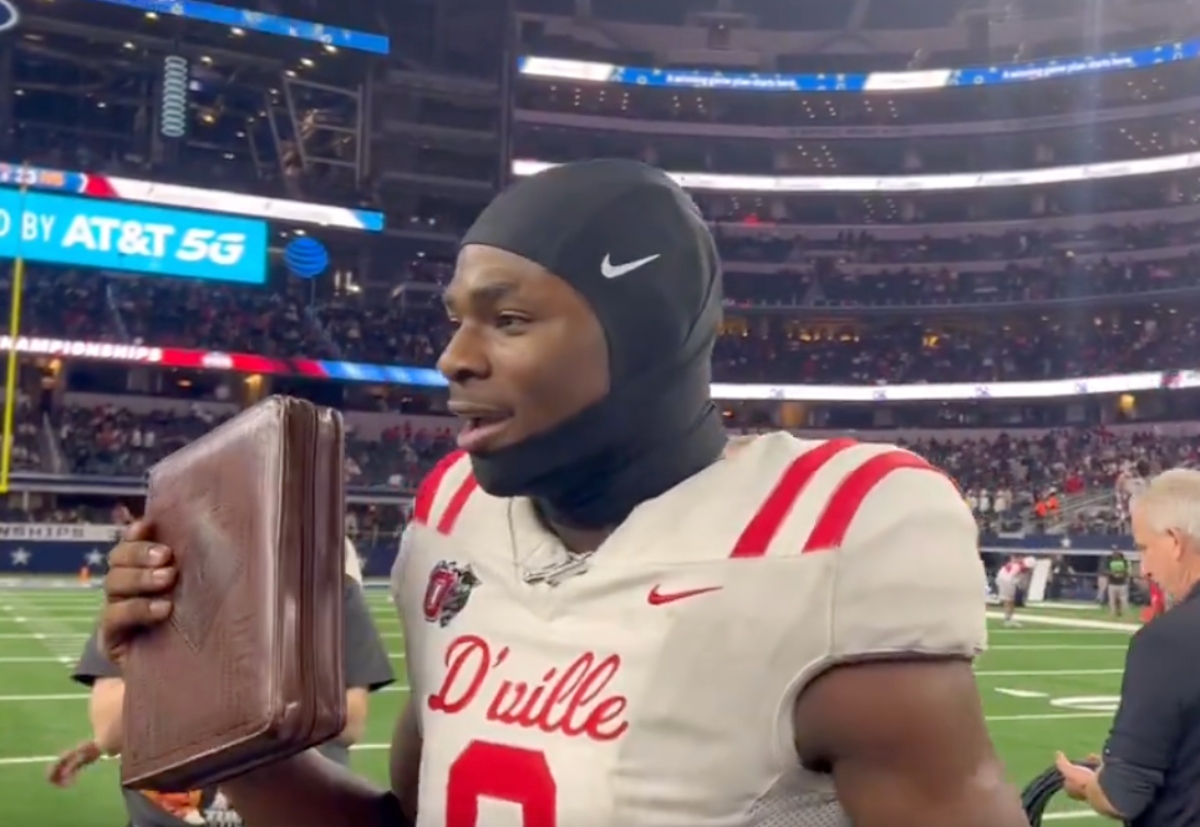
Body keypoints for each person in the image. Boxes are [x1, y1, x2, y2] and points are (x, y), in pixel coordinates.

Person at [95, 159, 1029, 826]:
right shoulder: (455, 520)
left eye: (507, 318)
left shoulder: (830, 536)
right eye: (458, 320)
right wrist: (210, 698)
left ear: (646, 334)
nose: (454, 358)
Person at [51, 537, 395, 827]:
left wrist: (192, 687)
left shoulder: (324, 568)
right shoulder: (151, 574)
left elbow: (347, 718)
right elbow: (112, 733)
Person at [1055, 469, 1200, 825]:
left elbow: (1123, 795)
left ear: (1175, 542)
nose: (1145, 568)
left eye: (1144, 548)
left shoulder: (1167, 640)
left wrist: (1091, 784)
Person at [996, 554, 1029, 627]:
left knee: (1009, 601)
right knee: (1009, 601)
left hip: (1003, 581)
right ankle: (1008, 619)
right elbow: (1013, 575)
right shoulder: (1017, 566)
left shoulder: (1008, 566)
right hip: (1008, 582)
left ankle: (1008, 618)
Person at [1105, 550, 1131, 618]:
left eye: (1117, 555)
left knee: (1123, 600)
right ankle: (1112, 613)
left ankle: (1125, 613)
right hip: (1112, 583)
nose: (1115, 556)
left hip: (1122, 584)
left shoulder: (1124, 562)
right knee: (1112, 600)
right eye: (1114, 555)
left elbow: (1127, 571)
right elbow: (1106, 570)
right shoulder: (1109, 562)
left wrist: (1122, 574)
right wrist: (1113, 574)